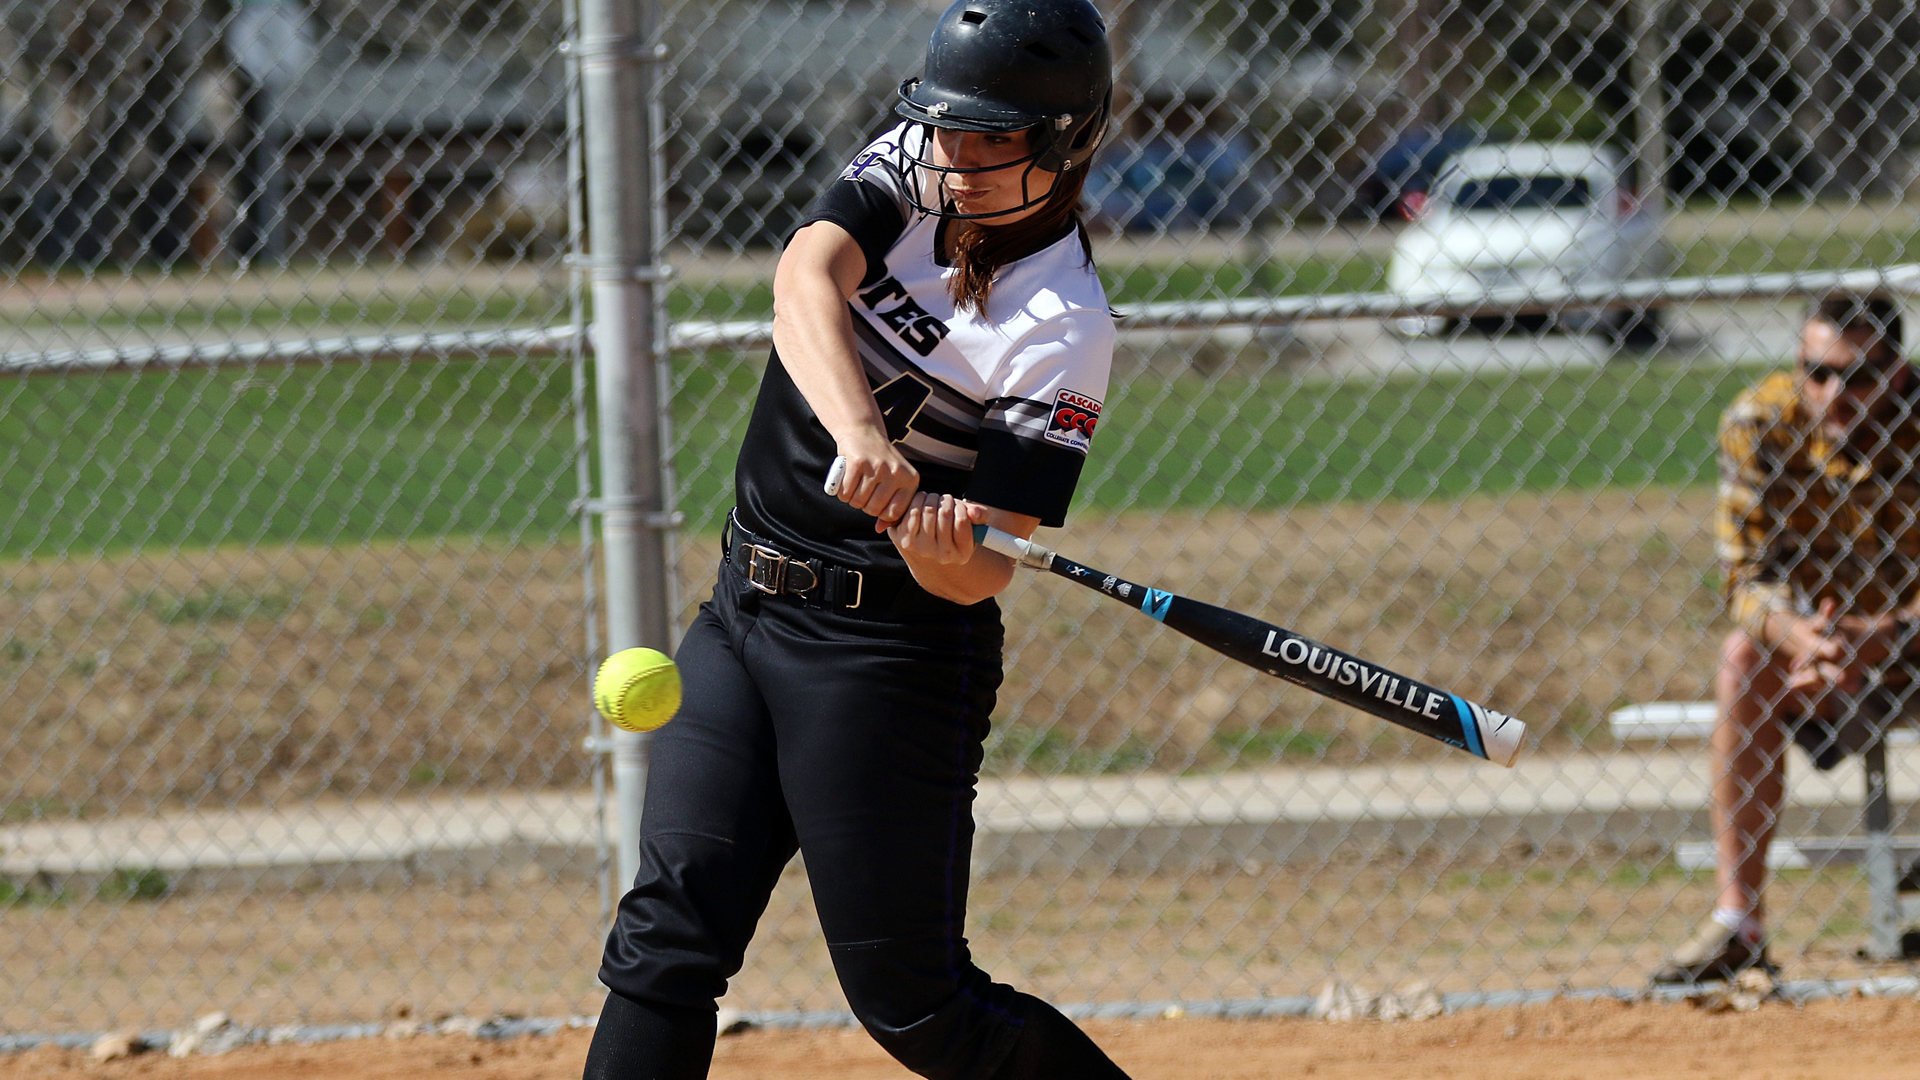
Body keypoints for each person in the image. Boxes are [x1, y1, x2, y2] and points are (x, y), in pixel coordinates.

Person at [583, 2, 1134, 1077]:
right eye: (947, 128)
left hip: (887, 659)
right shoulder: (912, 170)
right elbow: (804, 278)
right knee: (666, 938)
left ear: (1066, 141)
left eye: (994, 139)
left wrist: (940, 545)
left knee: (917, 1007)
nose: (959, 158)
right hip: (745, 610)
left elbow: (985, 566)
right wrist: (861, 434)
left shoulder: (1063, 323)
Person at [1653, 293, 1920, 984]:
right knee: (1743, 656)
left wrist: (1885, 635)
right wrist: (1801, 636)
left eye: (1858, 376)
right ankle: (1739, 923)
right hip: (1814, 654)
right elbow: (1744, 577)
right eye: (1817, 371)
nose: (1835, 392)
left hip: (1910, 644)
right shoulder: (1760, 423)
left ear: (1897, 372)